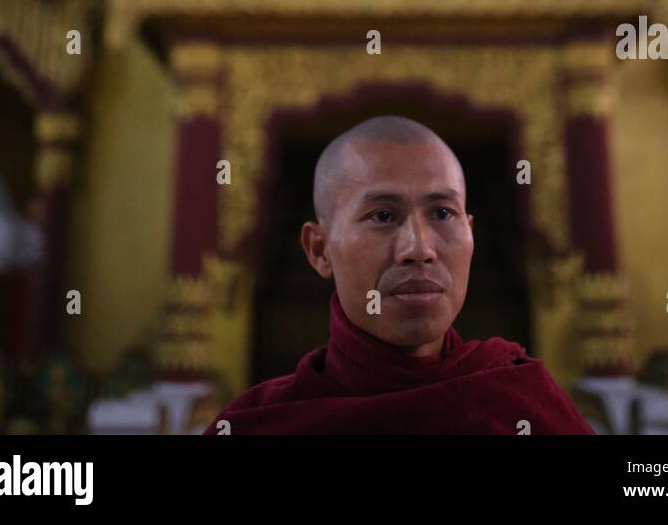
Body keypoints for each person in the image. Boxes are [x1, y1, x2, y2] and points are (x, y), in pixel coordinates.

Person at [204, 115, 593, 435]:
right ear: (319, 250)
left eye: (442, 213)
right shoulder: (258, 424)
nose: (419, 249)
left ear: (470, 232)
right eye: (382, 216)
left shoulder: (522, 401)